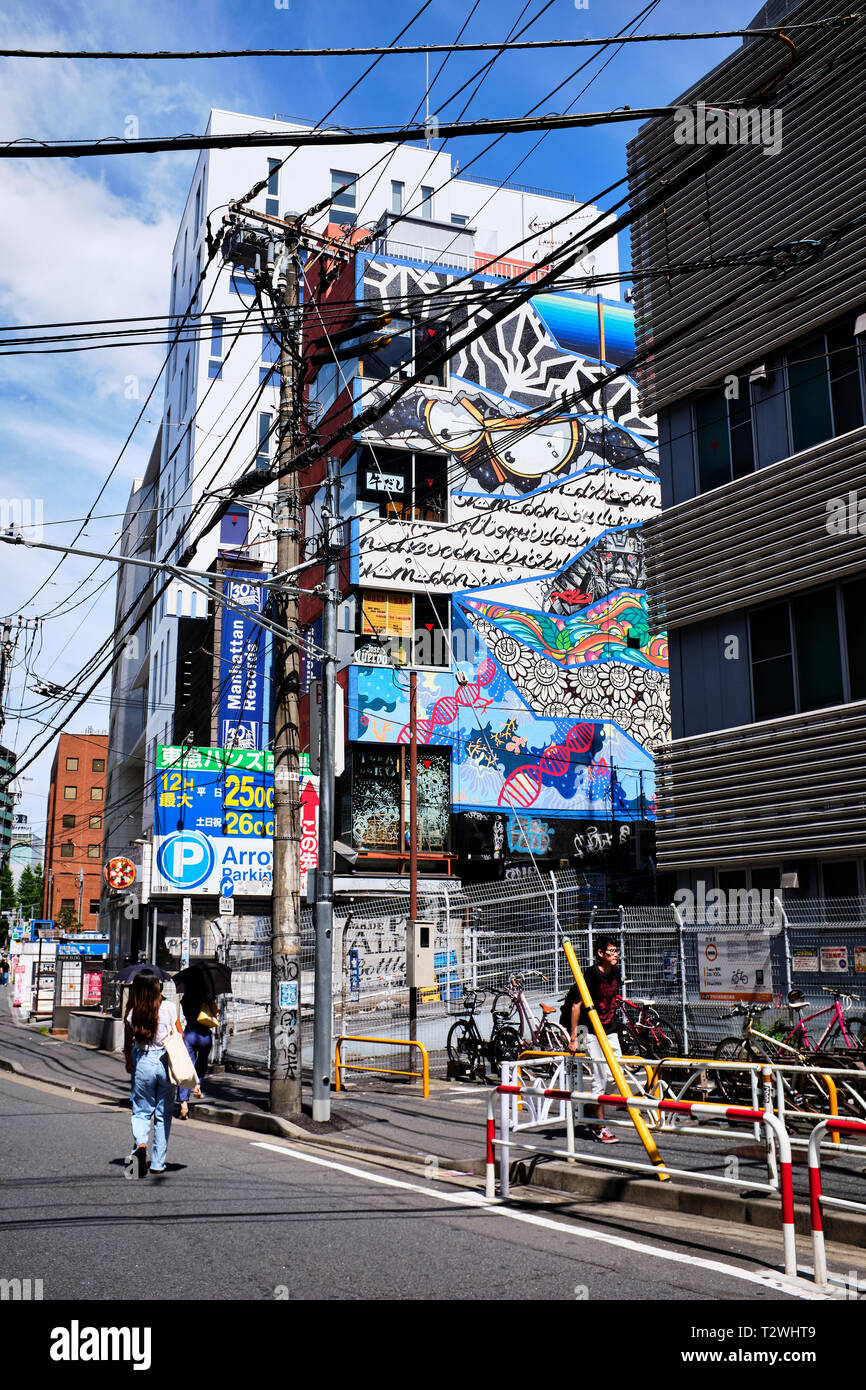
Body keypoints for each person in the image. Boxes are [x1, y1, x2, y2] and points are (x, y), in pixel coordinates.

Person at [562, 936, 623, 1143]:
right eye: (611, 951)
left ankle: (590, 1106)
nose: (615, 955)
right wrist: (574, 1039)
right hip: (590, 1031)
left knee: (617, 1074)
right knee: (600, 1077)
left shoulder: (615, 971)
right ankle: (600, 1127)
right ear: (600, 954)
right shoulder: (590, 975)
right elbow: (576, 1006)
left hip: (609, 1028)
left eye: (616, 951)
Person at [123, 973, 184, 1176]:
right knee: (163, 1114)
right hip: (165, 1061)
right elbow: (179, 1035)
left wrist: (129, 1061)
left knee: (140, 1111)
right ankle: (157, 1164)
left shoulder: (133, 1012)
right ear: (157, 987)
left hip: (143, 1060)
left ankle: (140, 1148)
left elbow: (128, 1039)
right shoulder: (168, 1007)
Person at [177, 988, 217, 1119]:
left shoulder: (185, 998)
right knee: (202, 1062)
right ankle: (198, 1085)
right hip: (204, 1034)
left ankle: (183, 1103)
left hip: (189, 1034)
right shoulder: (207, 996)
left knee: (187, 1067)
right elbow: (215, 1014)